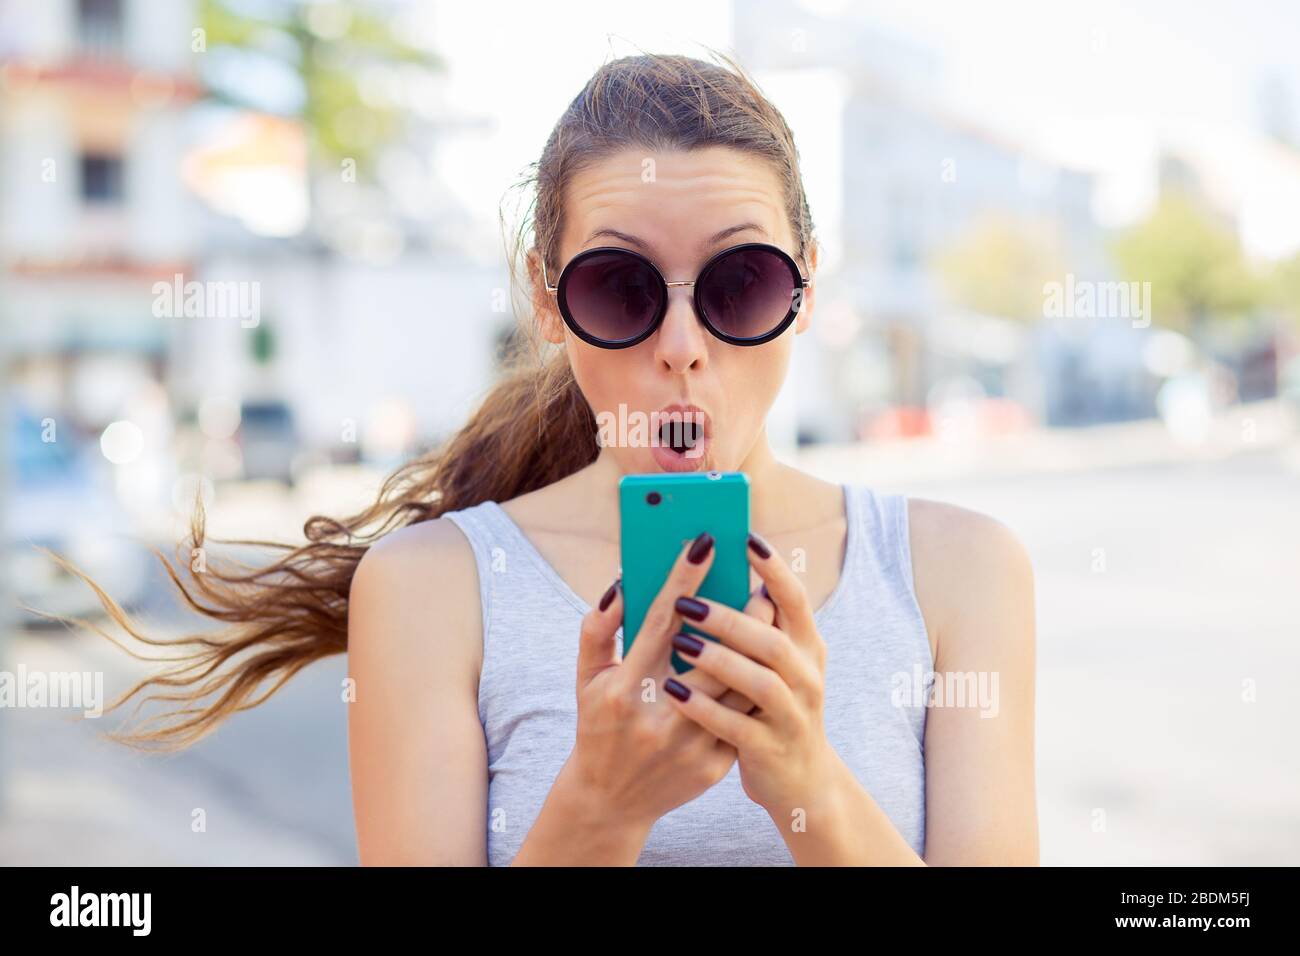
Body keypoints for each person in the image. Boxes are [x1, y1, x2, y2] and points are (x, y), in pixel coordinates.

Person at [87, 50, 1038, 866]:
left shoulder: (957, 572)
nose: (681, 345)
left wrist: (810, 787)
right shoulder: (431, 591)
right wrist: (602, 805)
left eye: (741, 284)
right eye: (620, 288)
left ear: (807, 289)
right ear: (548, 303)